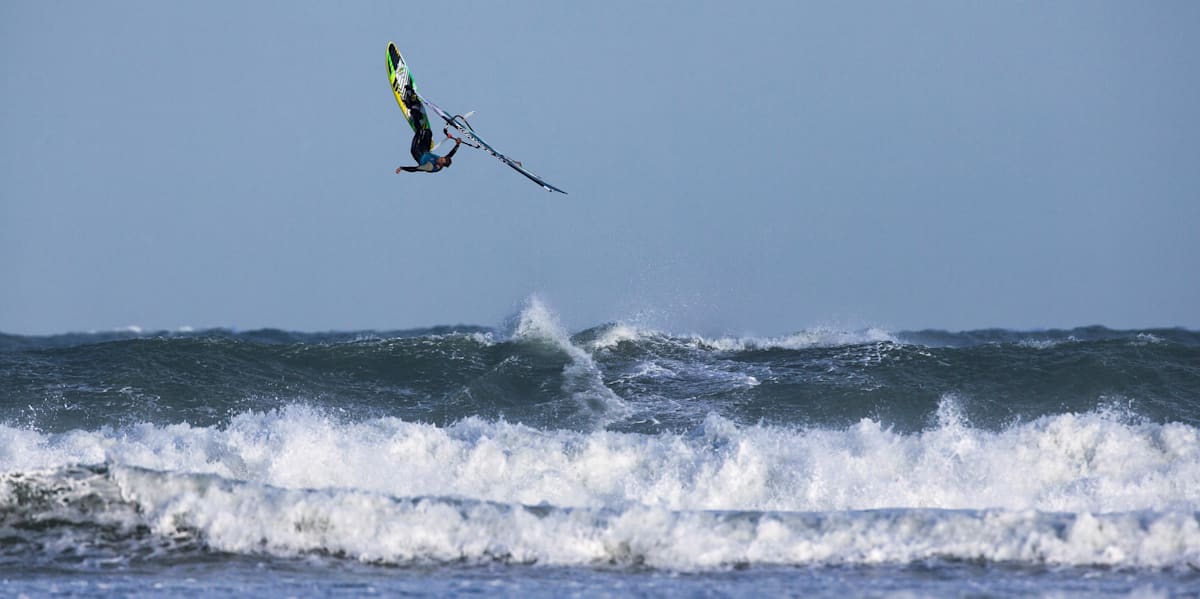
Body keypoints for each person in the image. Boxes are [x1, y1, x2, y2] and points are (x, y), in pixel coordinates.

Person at [395, 84, 461, 174]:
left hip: (417, 152)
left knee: (420, 131)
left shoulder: (430, 167)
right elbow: (450, 155)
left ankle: (410, 106)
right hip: (425, 149)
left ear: (441, 165)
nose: (440, 158)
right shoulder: (443, 160)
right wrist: (457, 145)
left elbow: (416, 169)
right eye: (442, 158)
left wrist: (402, 168)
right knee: (428, 132)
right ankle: (415, 106)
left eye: (441, 160)